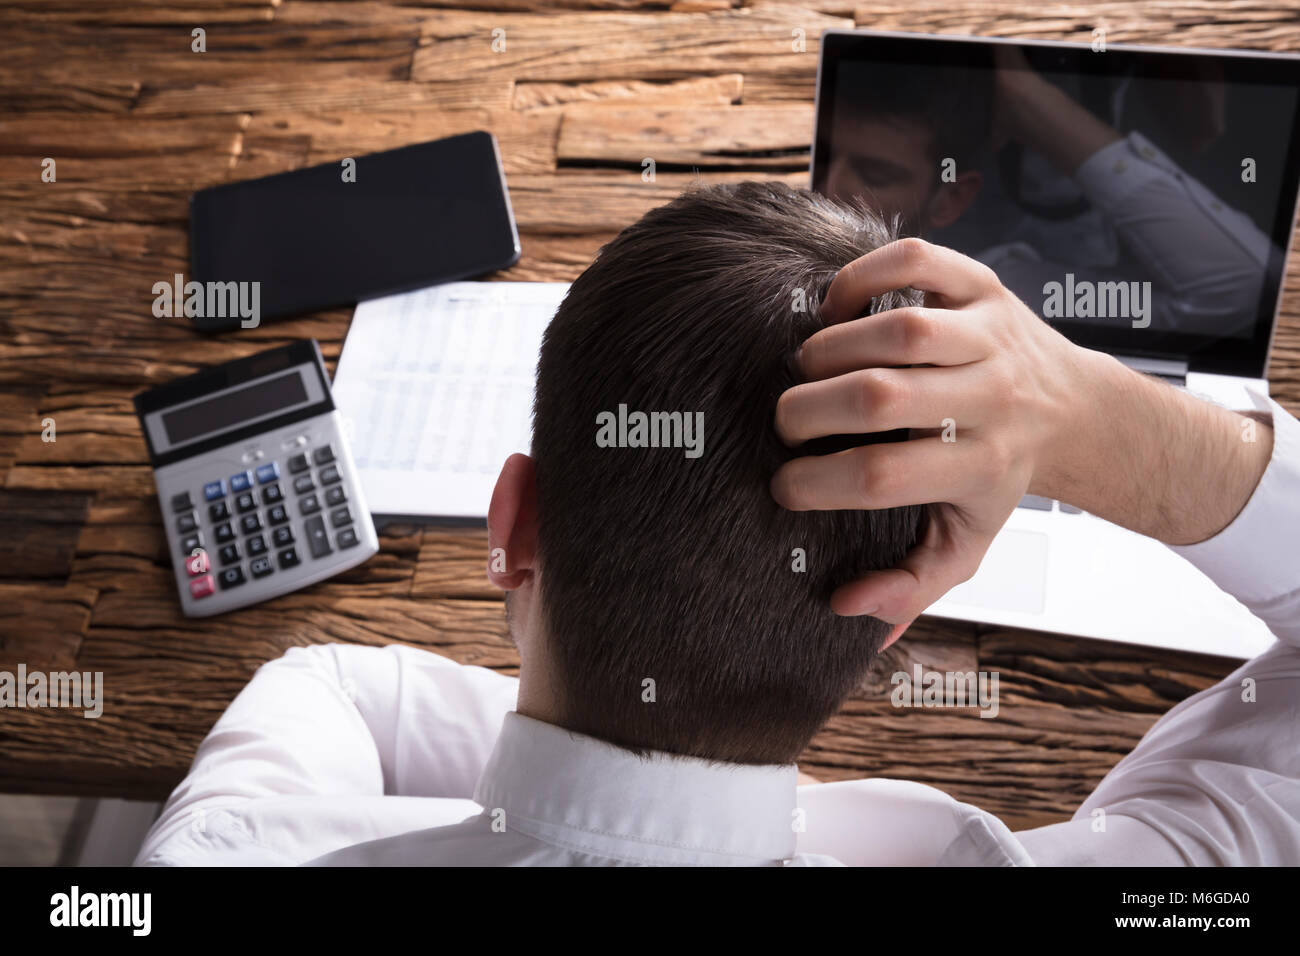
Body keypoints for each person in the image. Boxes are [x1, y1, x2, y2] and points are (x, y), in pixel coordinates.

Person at [136, 182, 1300, 866]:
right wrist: (1089, 416)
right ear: (893, 611)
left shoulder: (230, 852)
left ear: (511, 522)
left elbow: (333, 685)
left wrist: (620, 733)